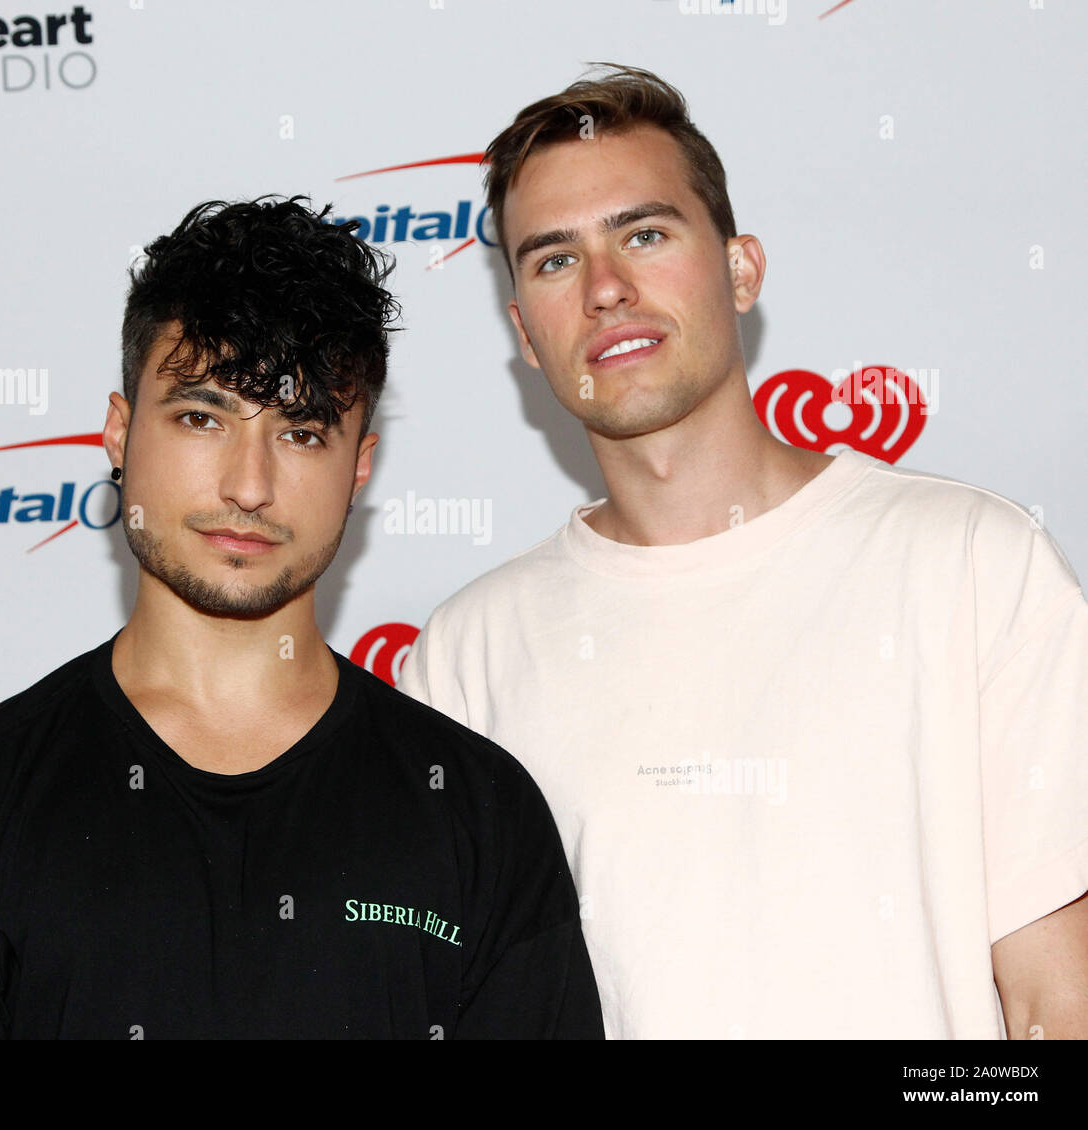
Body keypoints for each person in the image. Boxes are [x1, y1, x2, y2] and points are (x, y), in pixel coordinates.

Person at [396, 65, 1088, 1039]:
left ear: (742, 269)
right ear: (523, 332)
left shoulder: (974, 564)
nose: (605, 289)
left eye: (644, 233)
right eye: (554, 260)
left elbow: (1055, 1001)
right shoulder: (466, 658)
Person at [0, 196, 603, 1040]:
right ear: (119, 435)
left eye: (301, 432)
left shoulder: (478, 812)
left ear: (361, 466)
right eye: (202, 417)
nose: (249, 485)